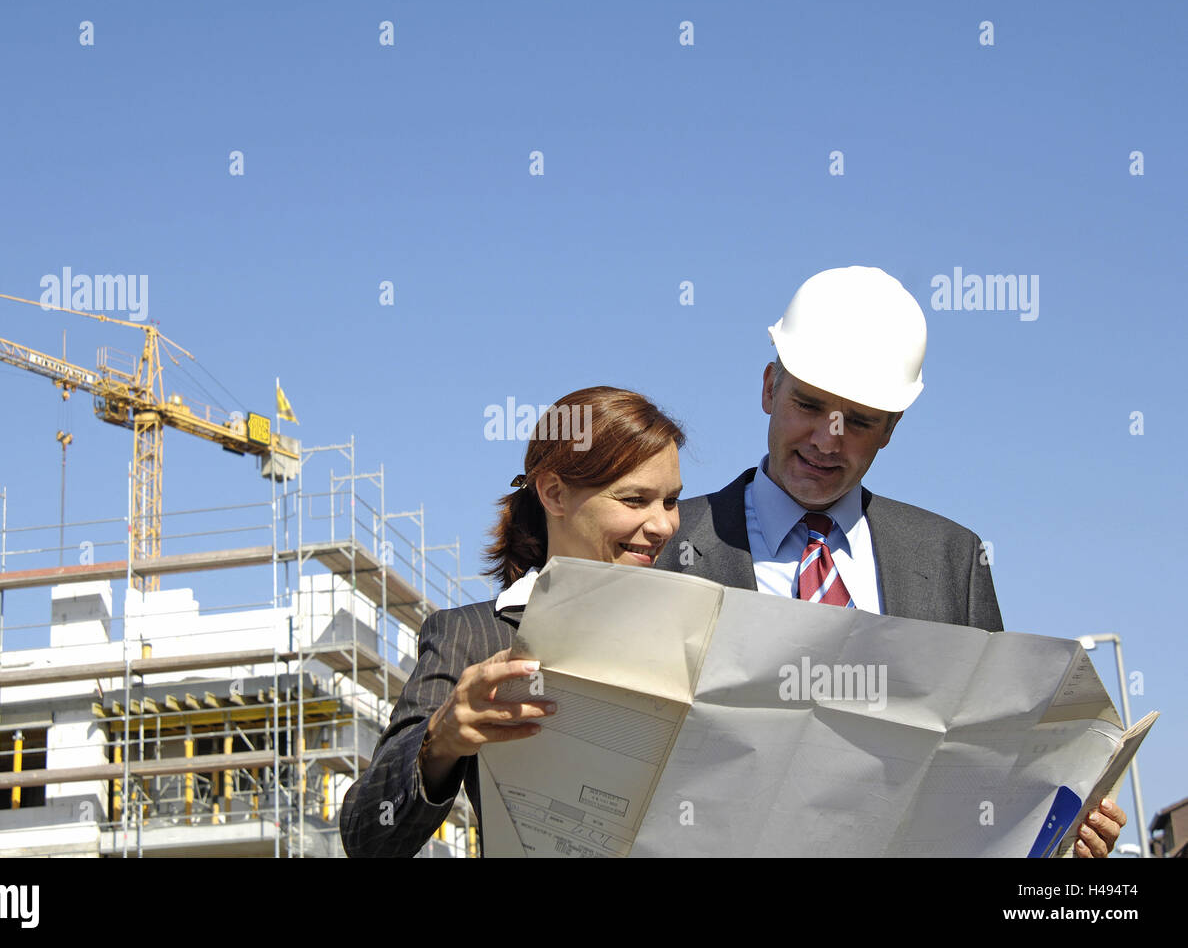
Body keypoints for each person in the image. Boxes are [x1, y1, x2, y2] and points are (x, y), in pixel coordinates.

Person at [655, 265, 1127, 857]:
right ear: (770, 386)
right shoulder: (662, 548)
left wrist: (1056, 833)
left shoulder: (952, 559)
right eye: (810, 404)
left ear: (893, 428)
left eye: (860, 421)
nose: (828, 440)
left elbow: (994, 767)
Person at [339, 386, 685, 857]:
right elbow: (367, 837)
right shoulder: (472, 636)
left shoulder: (694, 627)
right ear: (554, 493)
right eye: (635, 500)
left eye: (670, 501)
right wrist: (439, 739)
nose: (663, 524)